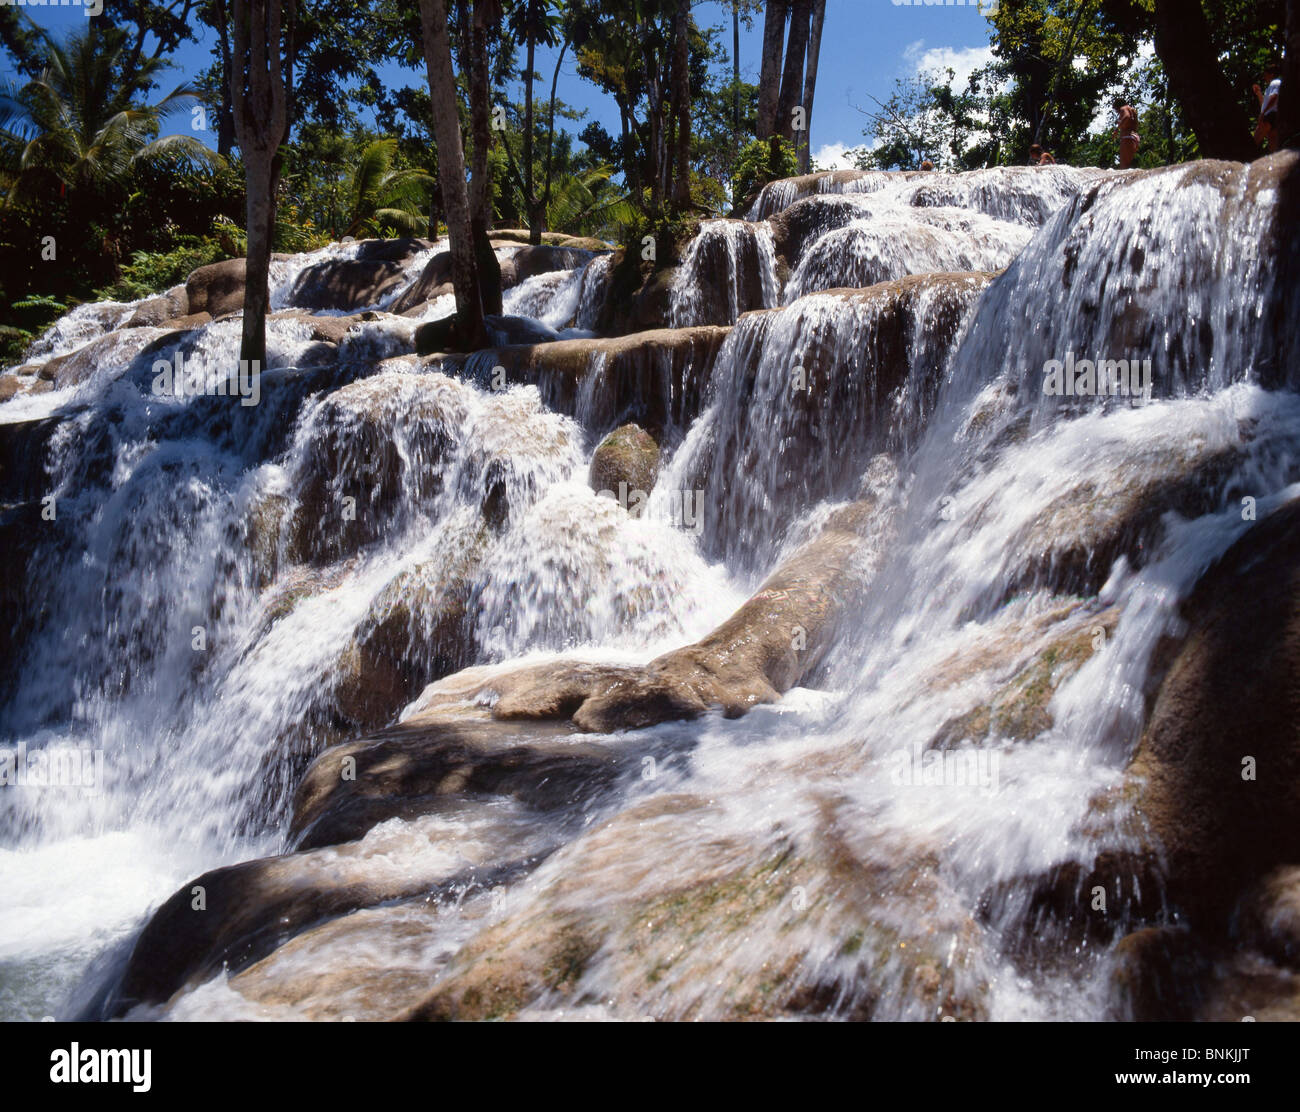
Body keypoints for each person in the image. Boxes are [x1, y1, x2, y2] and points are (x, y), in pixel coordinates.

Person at [1254, 60, 1282, 152]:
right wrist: (1258, 93)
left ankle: (1246, 162)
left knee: (1256, 139)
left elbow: (1274, 97)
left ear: (1272, 74)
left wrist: (1263, 114)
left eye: (1265, 74)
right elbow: (1264, 104)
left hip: (1270, 115)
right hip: (1272, 116)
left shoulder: (1275, 82)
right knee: (1272, 145)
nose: (1264, 77)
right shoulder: (1270, 86)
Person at [1116, 104, 1140, 169]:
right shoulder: (1132, 110)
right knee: (1128, 166)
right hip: (1134, 137)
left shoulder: (1123, 108)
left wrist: (1117, 129)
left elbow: (1127, 117)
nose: (1117, 112)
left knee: (1124, 167)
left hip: (1127, 137)